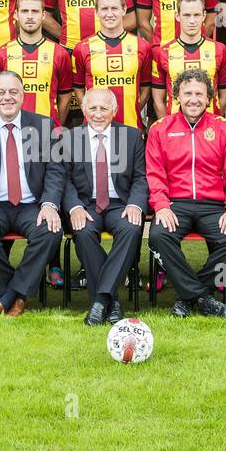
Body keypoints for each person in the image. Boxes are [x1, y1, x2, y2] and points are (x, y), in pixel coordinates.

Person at [0, 70, 67, 318]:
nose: (6, 97)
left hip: (32, 205)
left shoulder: (43, 125)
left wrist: (50, 204)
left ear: (22, 96)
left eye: (12, 92)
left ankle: (6, 298)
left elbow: (55, 171)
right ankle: (17, 295)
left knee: (51, 231)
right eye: (0, 92)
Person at [145, 69, 226, 319]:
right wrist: (161, 206)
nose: (194, 99)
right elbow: (154, 173)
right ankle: (202, 298)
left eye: (199, 94)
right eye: (188, 93)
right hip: (175, 203)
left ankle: (190, 295)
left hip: (214, 205)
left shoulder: (224, 128)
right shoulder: (160, 129)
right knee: (158, 236)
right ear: (177, 96)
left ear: (209, 97)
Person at [63, 88, 148, 326]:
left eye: (104, 108)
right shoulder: (69, 138)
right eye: (93, 108)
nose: (98, 114)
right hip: (86, 204)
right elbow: (64, 179)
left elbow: (142, 177)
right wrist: (73, 207)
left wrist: (135, 204)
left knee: (131, 228)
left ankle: (100, 301)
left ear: (114, 111)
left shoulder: (131, 136)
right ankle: (113, 301)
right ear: (83, 109)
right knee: (84, 232)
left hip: (120, 204)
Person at [72, 0, 153, 130]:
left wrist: (133, 108)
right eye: (104, 9)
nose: (109, 14)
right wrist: (92, 112)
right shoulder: (82, 48)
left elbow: (146, 88)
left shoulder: (143, 46)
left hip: (132, 126)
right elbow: (78, 89)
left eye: (114, 8)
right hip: (95, 129)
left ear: (124, 10)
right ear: (96, 12)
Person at [0, 0, 73, 124]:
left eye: (35, 12)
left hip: (48, 130)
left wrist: (56, 125)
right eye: (25, 11)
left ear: (43, 15)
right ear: (16, 15)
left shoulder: (59, 53)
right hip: (12, 130)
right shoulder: (2, 53)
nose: (30, 16)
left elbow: (65, 96)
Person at [151, 0, 226, 117]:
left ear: (204, 15)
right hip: (175, 129)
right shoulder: (163, 52)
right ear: (177, 16)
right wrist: (168, 126)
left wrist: (213, 121)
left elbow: (225, 96)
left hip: (209, 129)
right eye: (187, 15)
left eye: (197, 15)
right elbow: (158, 100)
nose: (192, 21)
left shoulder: (219, 50)